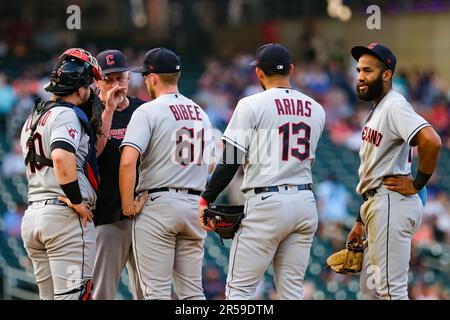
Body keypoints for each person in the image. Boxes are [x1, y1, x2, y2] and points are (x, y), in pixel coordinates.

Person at [199, 43, 326, 300]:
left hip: (267, 201)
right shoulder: (316, 108)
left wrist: (206, 198)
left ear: (258, 73)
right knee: (291, 292)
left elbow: (231, 160)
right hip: (304, 202)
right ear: (291, 69)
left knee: (238, 293)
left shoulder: (250, 104)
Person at [346, 43, 442, 300]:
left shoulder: (394, 105)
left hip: (391, 204)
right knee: (370, 293)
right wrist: (359, 220)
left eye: (368, 70)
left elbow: (431, 140)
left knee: (390, 292)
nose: (360, 77)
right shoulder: (379, 109)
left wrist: (417, 183)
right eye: (358, 70)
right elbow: (374, 171)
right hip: (376, 205)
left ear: (386, 75)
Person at [119, 48, 214, 300]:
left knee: (156, 293)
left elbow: (128, 161)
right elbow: (212, 164)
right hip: (194, 205)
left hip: (159, 204)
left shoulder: (148, 111)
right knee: (193, 293)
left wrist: (128, 204)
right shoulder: (200, 113)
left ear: (152, 78)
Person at [20, 48, 103, 300]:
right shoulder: (66, 114)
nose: (91, 92)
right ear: (79, 89)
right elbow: (60, 156)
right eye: (89, 85)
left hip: (34, 214)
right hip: (63, 218)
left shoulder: (33, 118)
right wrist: (77, 201)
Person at [91, 49, 145, 300]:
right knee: (102, 291)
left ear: (129, 78)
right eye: (108, 79)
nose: (115, 84)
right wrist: (109, 110)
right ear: (97, 80)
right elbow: (94, 153)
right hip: (106, 214)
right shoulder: (87, 110)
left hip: (145, 214)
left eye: (120, 78)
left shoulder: (143, 111)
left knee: (149, 291)